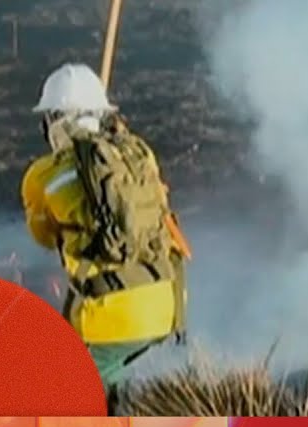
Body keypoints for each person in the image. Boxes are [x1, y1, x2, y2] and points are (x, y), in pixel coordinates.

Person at [20, 63, 187, 405]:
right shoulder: (139, 153)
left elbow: (43, 236)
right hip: (165, 308)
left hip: (109, 320)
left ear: (55, 120)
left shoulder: (42, 176)